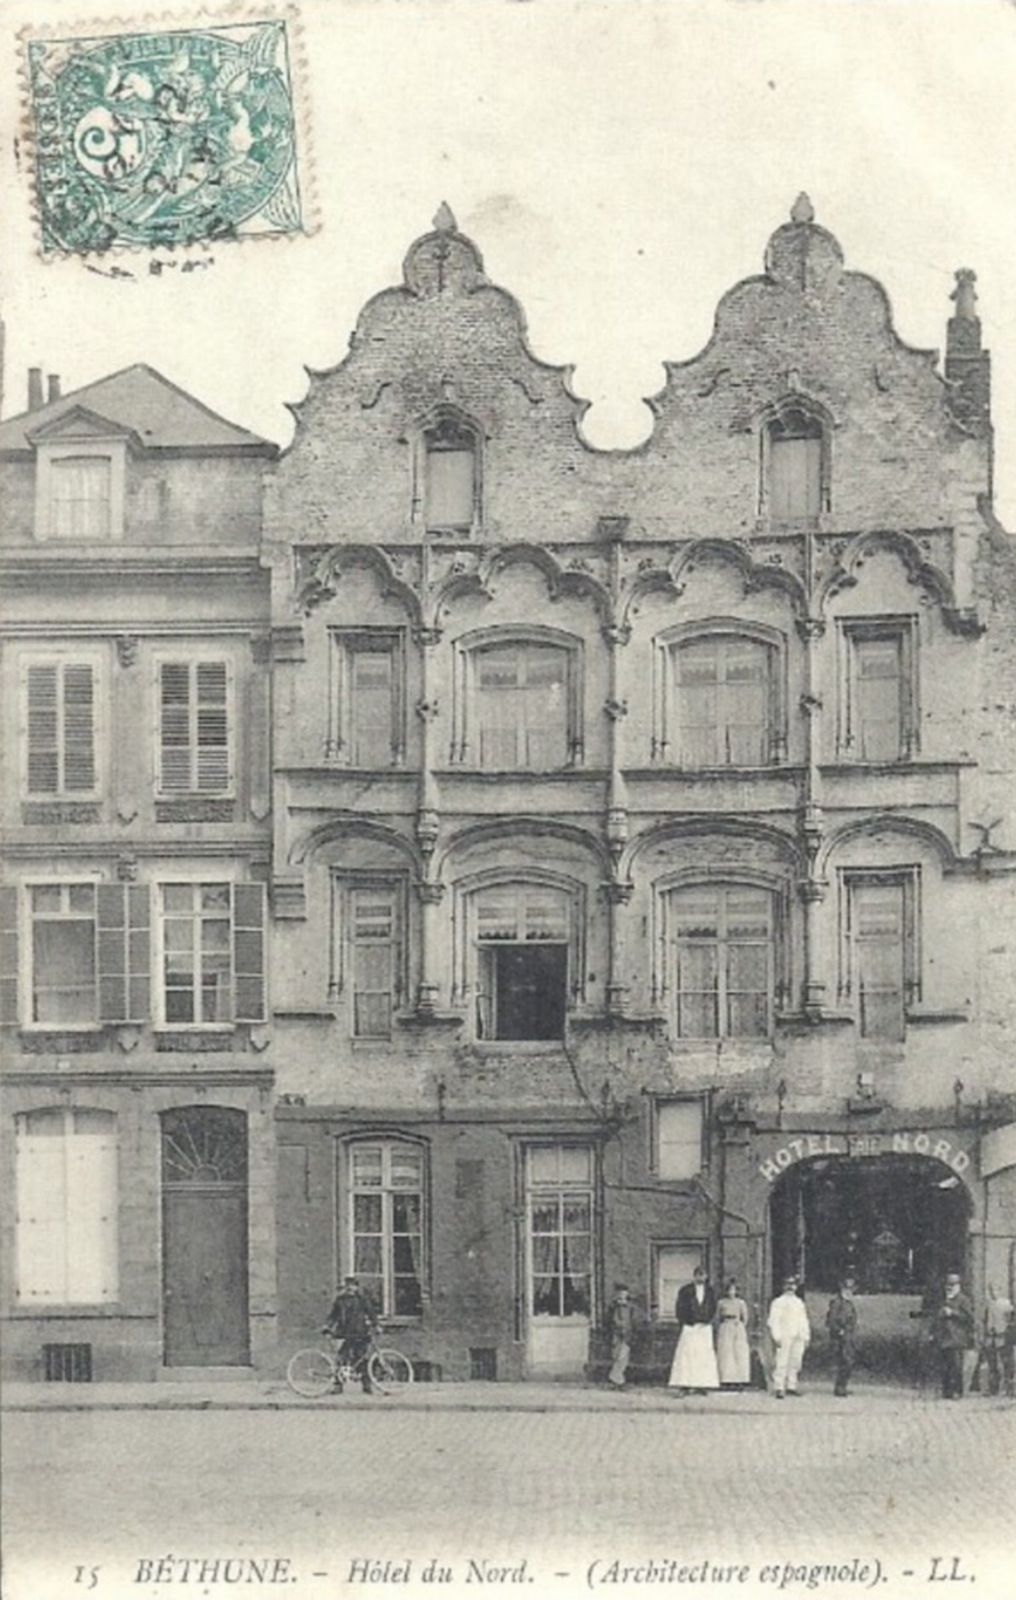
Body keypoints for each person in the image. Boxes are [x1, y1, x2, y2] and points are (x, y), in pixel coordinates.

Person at [667, 1265, 719, 1394]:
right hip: (690, 1327)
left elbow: (713, 1307)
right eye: (698, 1275)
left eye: (703, 1275)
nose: (701, 1277)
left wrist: (707, 1321)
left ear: (706, 1276)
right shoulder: (685, 1290)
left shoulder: (710, 1291)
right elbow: (679, 1308)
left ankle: (701, 1385)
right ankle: (684, 1385)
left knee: (703, 1356)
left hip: (705, 1328)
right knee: (686, 1356)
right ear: (694, 1276)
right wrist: (686, 1322)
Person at [323, 1274, 378, 1393]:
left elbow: (371, 1313)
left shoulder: (362, 1299)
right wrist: (328, 1325)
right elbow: (333, 1315)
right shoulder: (340, 1300)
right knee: (341, 1358)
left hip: (360, 1333)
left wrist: (376, 1324)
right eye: (348, 1285)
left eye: (352, 1285)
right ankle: (338, 1386)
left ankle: (366, 1385)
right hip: (345, 1332)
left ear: (356, 1287)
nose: (350, 1288)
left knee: (362, 1359)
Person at [931, 1272, 975, 1399]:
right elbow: (937, 1318)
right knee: (945, 1365)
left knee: (956, 1366)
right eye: (948, 1285)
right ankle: (947, 1391)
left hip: (957, 1338)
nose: (949, 1288)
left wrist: (953, 1313)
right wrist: (933, 1332)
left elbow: (969, 1318)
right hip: (944, 1337)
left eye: (952, 1285)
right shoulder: (943, 1300)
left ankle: (957, 1391)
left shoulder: (964, 1300)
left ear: (958, 1286)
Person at [767, 1274, 811, 1398]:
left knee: (795, 1361)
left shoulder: (799, 1303)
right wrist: (777, 1336)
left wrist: (806, 1336)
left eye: (793, 1285)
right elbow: (773, 1321)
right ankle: (779, 1387)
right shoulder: (778, 1302)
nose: (791, 1287)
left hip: (798, 1335)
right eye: (788, 1285)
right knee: (782, 1361)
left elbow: (804, 1320)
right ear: (783, 1287)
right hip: (784, 1334)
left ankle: (792, 1385)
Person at [826, 1276, 859, 1397]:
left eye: (851, 1288)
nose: (850, 1291)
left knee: (848, 1361)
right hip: (840, 1337)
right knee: (845, 1361)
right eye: (847, 1288)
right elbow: (831, 1319)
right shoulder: (836, 1302)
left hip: (848, 1336)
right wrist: (839, 1330)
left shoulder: (848, 1302)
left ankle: (843, 1385)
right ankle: (840, 1387)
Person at [716, 1278, 751, 1388]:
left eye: (733, 1290)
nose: (731, 1292)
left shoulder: (741, 1303)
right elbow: (717, 1317)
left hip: (737, 1328)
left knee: (738, 1352)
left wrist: (739, 1326)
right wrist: (722, 1326)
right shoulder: (721, 1302)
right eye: (729, 1290)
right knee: (726, 1352)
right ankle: (726, 1380)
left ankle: (739, 1379)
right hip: (726, 1327)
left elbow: (745, 1318)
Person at [981, 1282, 1014, 1398]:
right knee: (992, 1365)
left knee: (1006, 1363)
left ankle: (1009, 1389)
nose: (993, 1293)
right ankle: (993, 1388)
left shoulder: (1006, 1304)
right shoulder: (988, 1304)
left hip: (1002, 1336)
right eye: (991, 1290)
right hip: (991, 1338)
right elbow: (985, 1320)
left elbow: (1011, 1320)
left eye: (995, 1290)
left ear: (1000, 1291)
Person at [606, 1282, 636, 1390]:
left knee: (624, 1358)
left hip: (627, 1333)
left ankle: (617, 1379)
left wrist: (630, 1329)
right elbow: (612, 1320)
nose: (622, 1296)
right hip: (617, 1334)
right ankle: (618, 1380)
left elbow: (632, 1319)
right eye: (620, 1294)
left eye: (624, 1294)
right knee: (617, 1356)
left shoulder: (630, 1306)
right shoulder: (614, 1307)